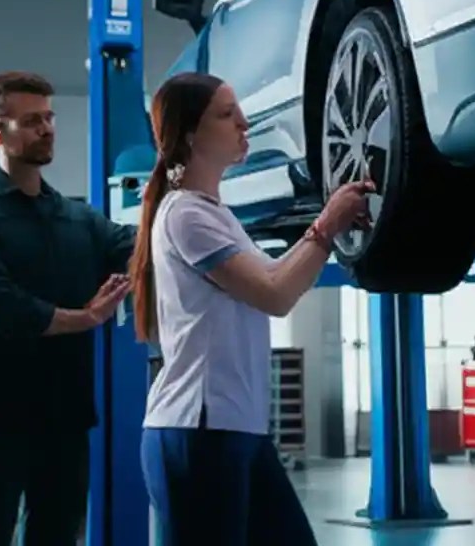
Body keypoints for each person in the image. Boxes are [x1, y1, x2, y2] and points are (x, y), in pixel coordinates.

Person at [128, 72, 373, 545]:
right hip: (198, 433)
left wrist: (329, 229)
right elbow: (275, 293)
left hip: (237, 429)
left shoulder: (215, 213)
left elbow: (280, 279)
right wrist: (326, 225)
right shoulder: (185, 214)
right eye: (226, 114)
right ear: (190, 135)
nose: (244, 122)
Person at [0, 70, 136, 546]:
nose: (47, 129)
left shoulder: (78, 218)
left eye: (49, 118)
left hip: (64, 417)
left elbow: (138, 248)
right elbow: (3, 307)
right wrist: (85, 318)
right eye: (31, 121)